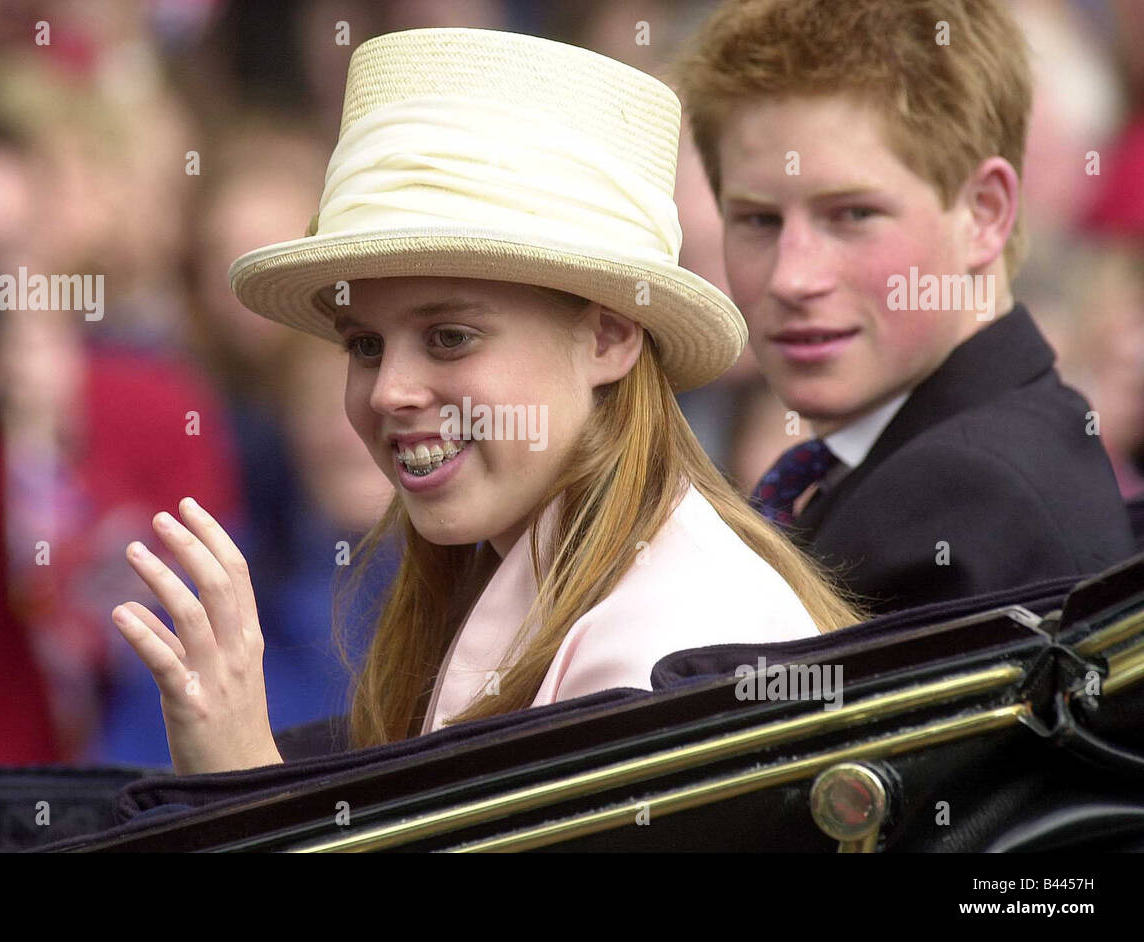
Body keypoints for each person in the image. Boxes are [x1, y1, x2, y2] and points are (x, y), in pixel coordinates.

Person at [110, 27, 866, 776]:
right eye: (364, 345)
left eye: (449, 337)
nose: (389, 390)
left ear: (608, 337)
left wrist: (243, 782)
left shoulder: (665, 649)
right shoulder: (556, 580)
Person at [673, 0, 1136, 616]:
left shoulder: (969, 500)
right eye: (758, 220)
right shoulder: (918, 463)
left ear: (985, 213)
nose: (791, 277)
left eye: (852, 215)